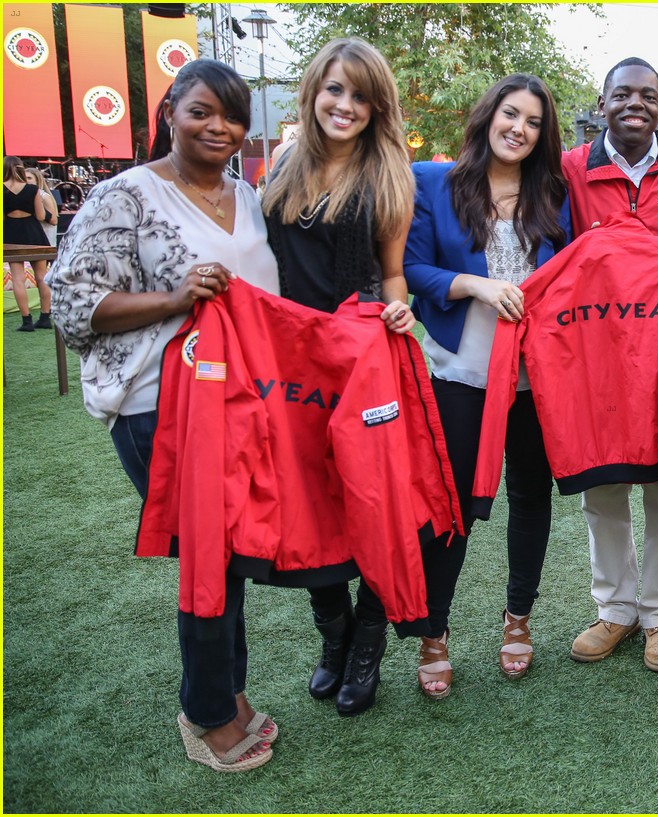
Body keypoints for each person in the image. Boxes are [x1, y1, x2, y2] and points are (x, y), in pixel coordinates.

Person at [47, 58, 281, 772]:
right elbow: (70, 304)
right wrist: (175, 299)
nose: (219, 127)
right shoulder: (127, 195)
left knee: (230, 552)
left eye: (232, 116)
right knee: (208, 555)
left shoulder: (246, 194)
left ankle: (227, 688)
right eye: (202, 111)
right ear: (171, 112)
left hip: (240, 402)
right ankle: (207, 710)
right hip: (160, 404)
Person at [262, 37, 415, 717]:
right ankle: (335, 635)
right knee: (306, 503)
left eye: (359, 94)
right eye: (334, 90)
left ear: (376, 105)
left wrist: (401, 305)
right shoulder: (281, 165)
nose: (345, 105)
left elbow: (391, 271)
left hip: (363, 358)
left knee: (374, 502)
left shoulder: (389, 173)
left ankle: (367, 643)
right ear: (313, 92)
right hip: (289, 360)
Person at [404, 73, 568, 696]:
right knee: (454, 505)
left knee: (531, 495)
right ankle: (434, 632)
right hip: (461, 371)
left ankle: (518, 620)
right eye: (510, 114)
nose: (519, 128)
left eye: (532, 121)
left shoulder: (553, 194)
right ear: (488, 116)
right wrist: (477, 285)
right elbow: (412, 267)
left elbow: (572, 266)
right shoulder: (435, 183)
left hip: (535, 378)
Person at [560, 57, 658, 673]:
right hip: (595, 356)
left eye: (647, 95)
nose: (634, 103)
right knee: (602, 482)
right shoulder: (569, 169)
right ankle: (615, 608)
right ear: (602, 103)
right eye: (622, 94)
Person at [4, 156, 52, 331]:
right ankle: (45, 317)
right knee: (41, 276)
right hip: (33, 233)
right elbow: (40, 216)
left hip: (11, 235)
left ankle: (26, 321)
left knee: (18, 279)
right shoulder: (32, 189)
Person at [25, 167, 59, 246]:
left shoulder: (44, 196)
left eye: (29, 178)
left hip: (45, 238)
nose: (26, 180)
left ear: (37, 181)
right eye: (23, 178)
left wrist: (36, 208)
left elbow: (54, 220)